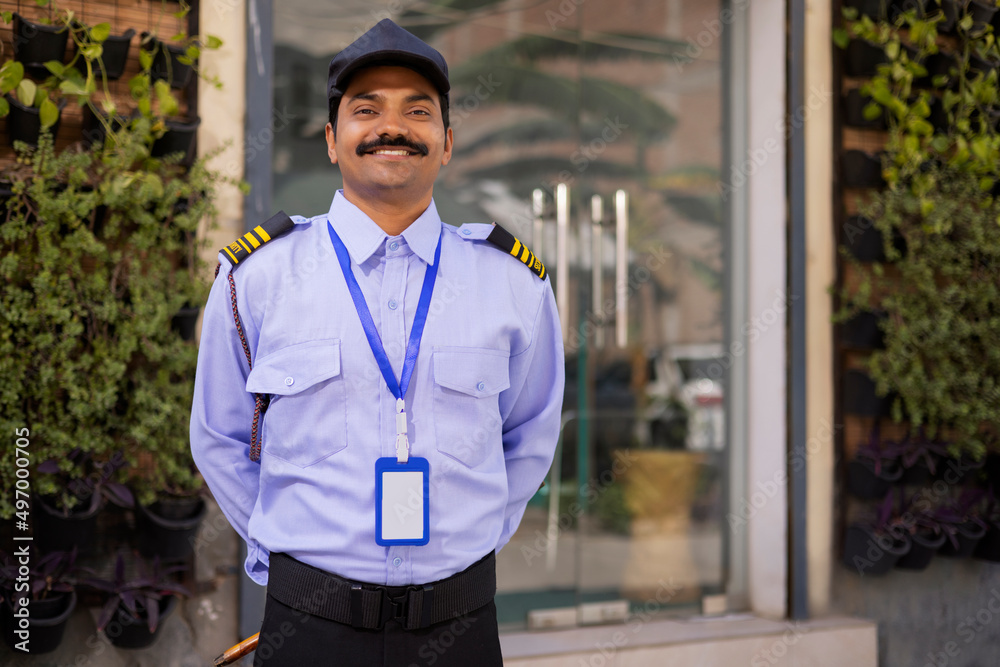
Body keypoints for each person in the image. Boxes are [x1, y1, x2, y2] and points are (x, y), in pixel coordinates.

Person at [190, 18, 565, 666]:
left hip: (460, 625)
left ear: (445, 143)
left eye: (417, 111)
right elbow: (221, 435)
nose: (393, 126)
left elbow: (530, 432)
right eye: (367, 109)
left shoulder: (513, 283)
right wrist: (284, 542)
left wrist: (473, 538)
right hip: (308, 627)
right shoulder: (255, 279)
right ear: (334, 140)